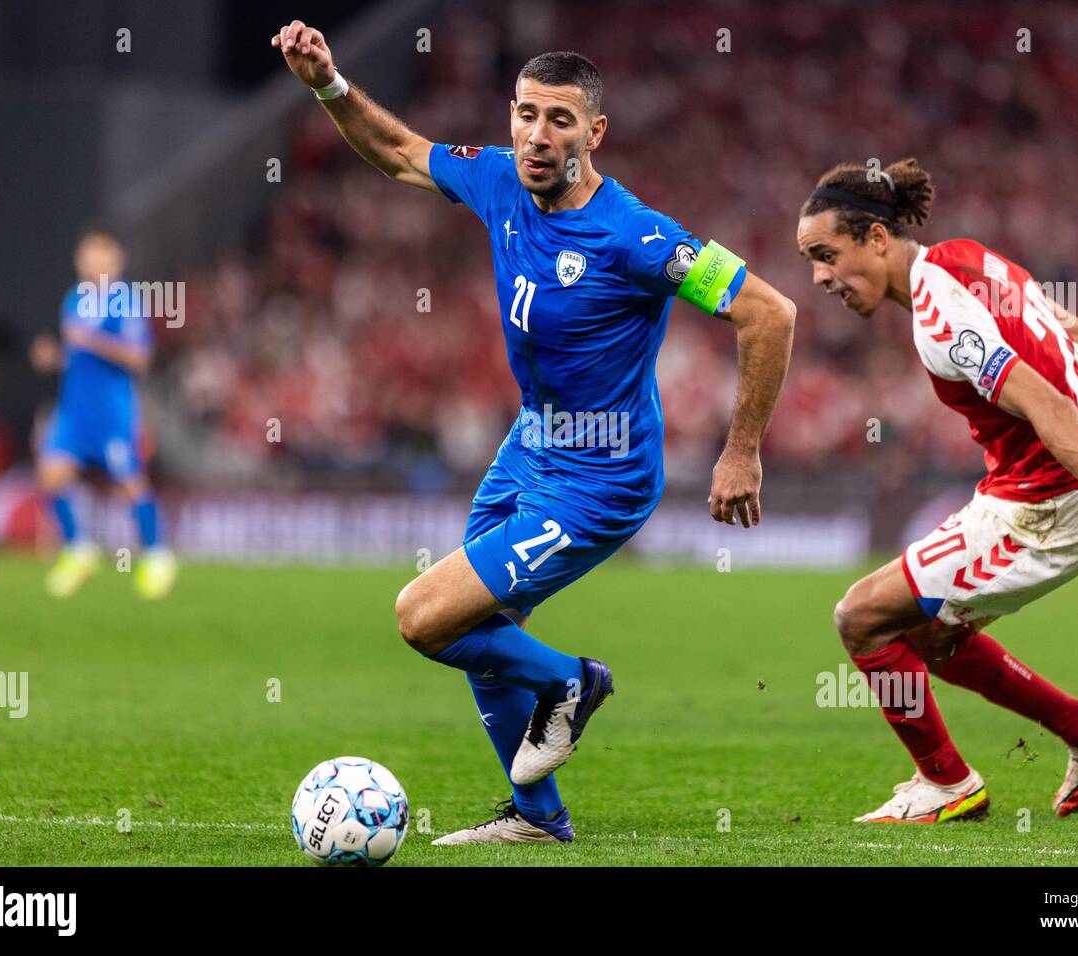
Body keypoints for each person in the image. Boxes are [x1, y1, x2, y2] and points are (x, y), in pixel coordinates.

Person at [273, 22, 797, 844]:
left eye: (558, 120)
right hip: (529, 448)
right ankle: (537, 818)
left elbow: (769, 311)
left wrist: (742, 449)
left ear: (595, 133)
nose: (535, 135)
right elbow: (403, 152)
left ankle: (571, 683)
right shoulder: (496, 180)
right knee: (476, 628)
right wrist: (328, 84)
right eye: (525, 114)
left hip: (603, 477)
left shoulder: (638, 236)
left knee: (423, 618)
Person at [796, 158, 1078, 823]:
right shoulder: (971, 260)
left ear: (877, 239)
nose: (820, 277)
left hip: (1047, 508)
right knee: (930, 637)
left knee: (861, 617)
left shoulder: (942, 314)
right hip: (1039, 489)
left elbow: (1048, 401)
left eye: (827, 255)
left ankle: (946, 783)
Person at [31, 225, 177, 600]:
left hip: (112, 414)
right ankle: (79, 551)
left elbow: (139, 357)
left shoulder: (126, 302)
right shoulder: (75, 299)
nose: (93, 264)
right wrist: (56, 358)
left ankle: (158, 556)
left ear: (116, 261)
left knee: (130, 483)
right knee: (50, 474)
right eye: (88, 256)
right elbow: (77, 356)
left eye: (102, 257)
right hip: (75, 411)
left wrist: (92, 341)